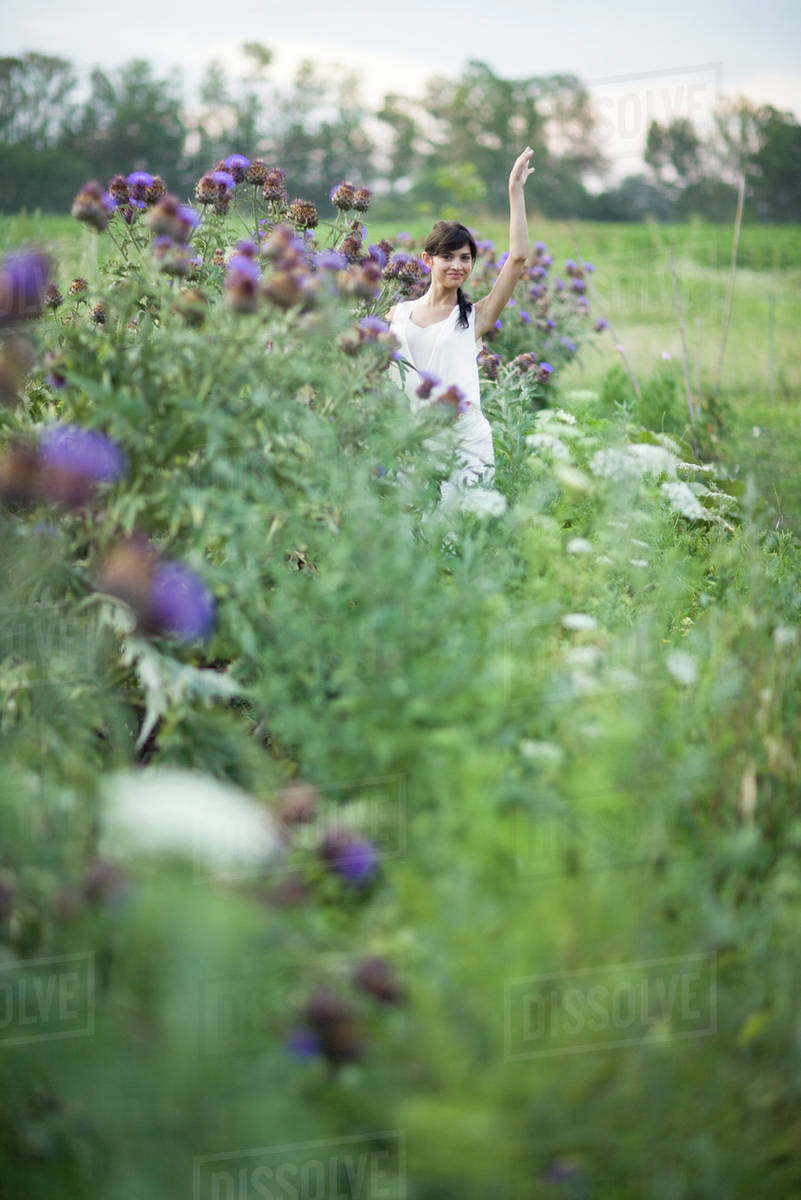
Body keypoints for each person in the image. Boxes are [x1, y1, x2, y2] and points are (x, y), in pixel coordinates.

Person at [385, 146, 535, 506]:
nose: (457, 265)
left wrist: (515, 192)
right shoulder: (396, 315)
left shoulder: (475, 319)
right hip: (411, 446)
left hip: (466, 447)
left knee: (459, 541)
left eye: (465, 258)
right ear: (427, 260)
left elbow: (516, 259)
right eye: (447, 257)